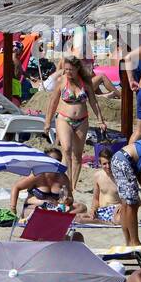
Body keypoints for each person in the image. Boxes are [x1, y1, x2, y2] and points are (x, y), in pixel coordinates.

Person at [43, 55, 106, 189]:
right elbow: (53, 102)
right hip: (64, 118)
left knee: (77, 156)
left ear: (77, 68)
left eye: (70, 70)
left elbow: (93, 102)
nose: (68, 72)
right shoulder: (62, 81)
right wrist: (47, 122)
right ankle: (65, 182)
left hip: (82, 120)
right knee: (66, 149)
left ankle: (72, 186)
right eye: (66, 69)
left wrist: (100, 120)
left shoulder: (85, 82)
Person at [10, 148, 81, 216]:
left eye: (57, 160)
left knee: (81, 207)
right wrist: (13, 209)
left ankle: (57, 217)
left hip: (55, 209)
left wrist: (67, 200)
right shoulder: (37, 175)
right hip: (34, 208)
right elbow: (16, 187)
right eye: (51, 160)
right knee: (37, 211)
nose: (54, 162)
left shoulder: (63, 178)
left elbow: (70, 198)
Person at [82, 144, 122, 223]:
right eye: (104, 164)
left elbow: (126, 199)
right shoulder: (98, 176)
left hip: (116, 209)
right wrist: (93, 210)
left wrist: (121, 207)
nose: (108, 166)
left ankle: (103, 222)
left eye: (110, 163)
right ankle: (104, 221)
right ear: (100, 164)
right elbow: (96, 198)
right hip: (101, 209)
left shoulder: (120, 176)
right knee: (78, 218)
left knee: (119, 220)